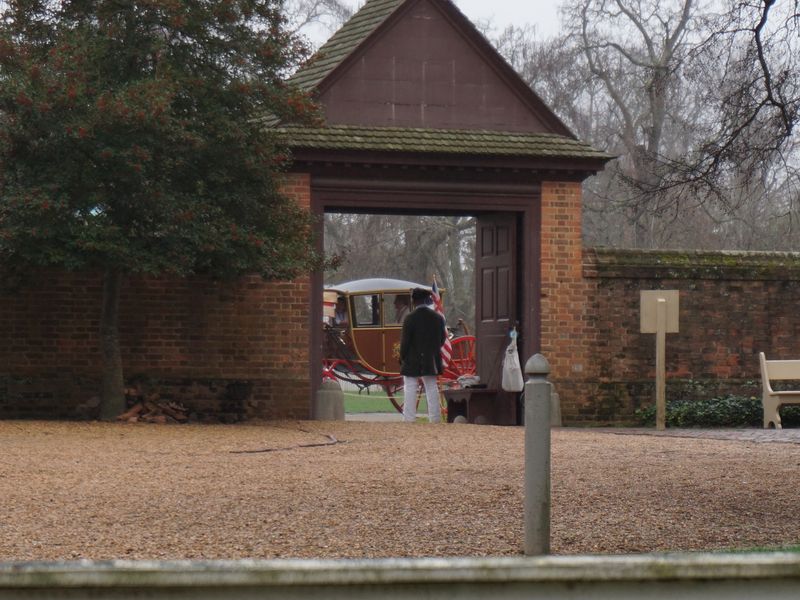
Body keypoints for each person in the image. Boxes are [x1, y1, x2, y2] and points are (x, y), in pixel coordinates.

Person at [399, 287, 446, 423]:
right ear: (427, 300)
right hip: (431, 357)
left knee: (410, 388)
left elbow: (405, 342)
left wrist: (402, 357)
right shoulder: (437, 318)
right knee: (431, 387)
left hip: (412, 357)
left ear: (414, 301)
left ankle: (409, 419)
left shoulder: (410, 318)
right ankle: (435, 418)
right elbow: (442, 339)